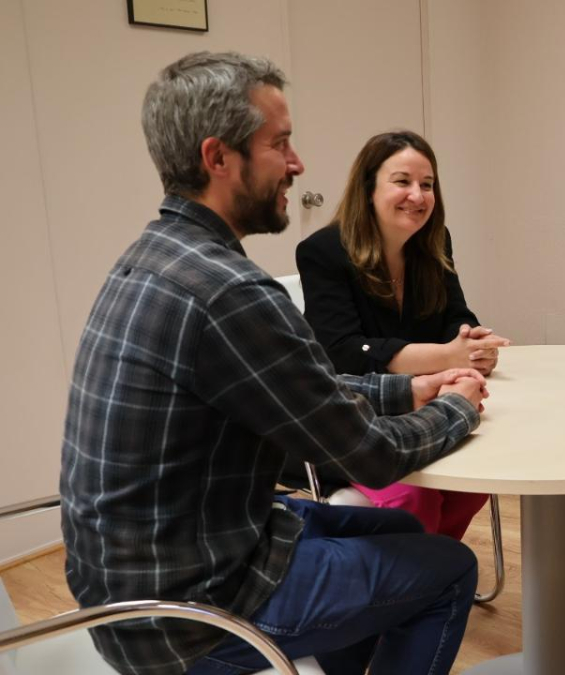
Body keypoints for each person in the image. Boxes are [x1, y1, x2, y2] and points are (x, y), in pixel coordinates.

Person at [59, 51, 488, 675]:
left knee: (403, 540)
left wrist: (412, 389)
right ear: (218, 158)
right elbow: (371, 455)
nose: (298, 164)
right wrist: (456, 409)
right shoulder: (229, 292)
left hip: (139, 581)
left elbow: (302, 386)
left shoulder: (153, 256)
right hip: (187, 614)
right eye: (280, 144)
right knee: (449, 570)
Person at [293, 130, 509, 539]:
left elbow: (457, 316)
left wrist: (474, 346)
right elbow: (344, 352)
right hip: (354, 421)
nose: (418, 195)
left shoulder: (433, 242)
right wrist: (448, 357)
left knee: (474, 484)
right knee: (415, 500)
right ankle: (409, 587)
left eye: (427, 185)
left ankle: (435, 578)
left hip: (433, 405)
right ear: (368, 188)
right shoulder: (323, 252)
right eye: (402, 182)